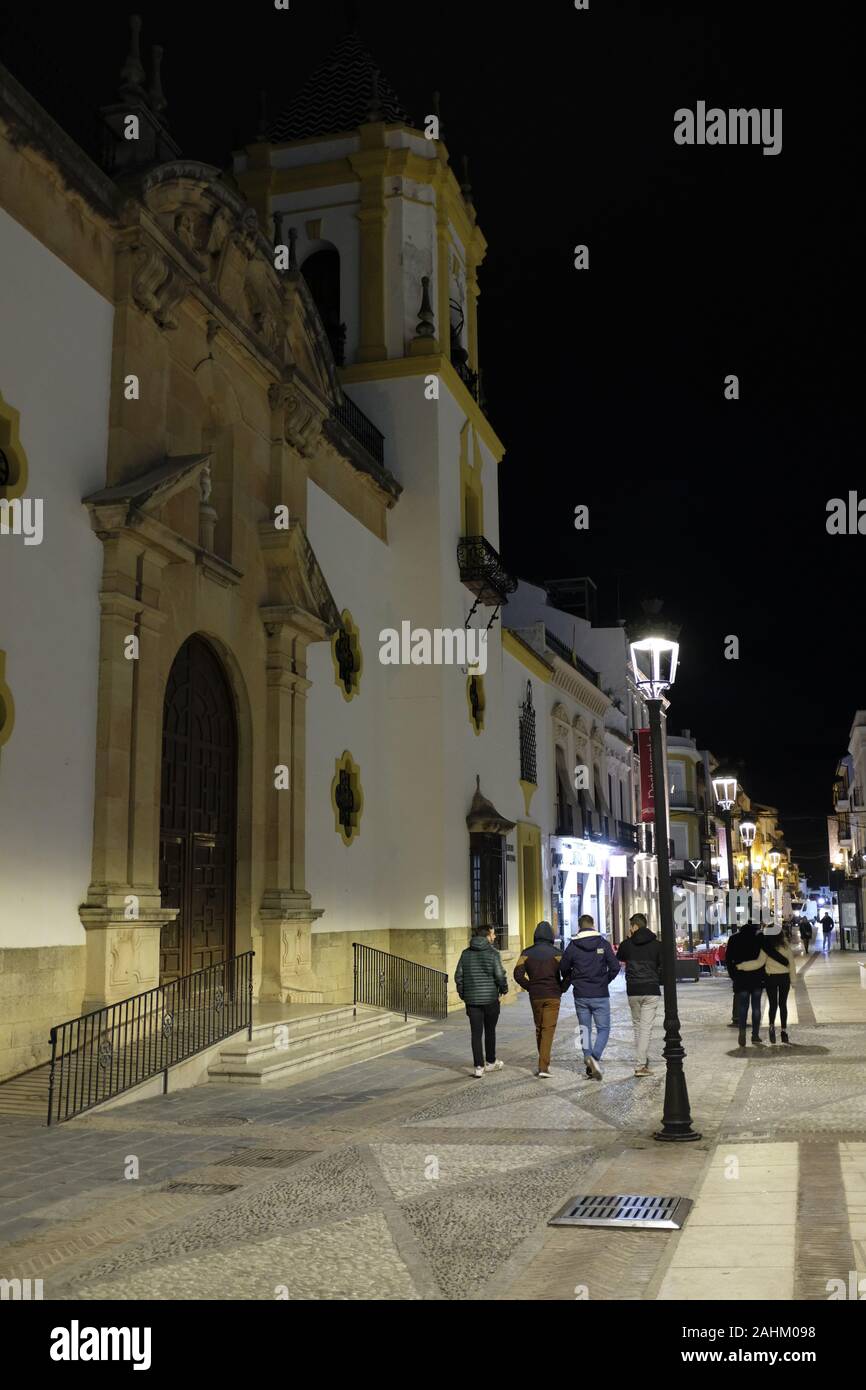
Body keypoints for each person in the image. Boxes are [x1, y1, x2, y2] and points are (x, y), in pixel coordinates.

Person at [558, 914, 621, 1080]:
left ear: (579, 927)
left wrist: (573, 977)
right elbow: (615, 967)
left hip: (581, 994)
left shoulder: (573, 946)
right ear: (593, 925)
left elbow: (563, 967)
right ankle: (595, 1057)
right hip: (600, 993)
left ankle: (588, 1060)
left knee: (584, 1029)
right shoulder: (603, 944)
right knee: (604, 1029)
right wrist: (604, 980)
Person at [513, 921, 567, 1078]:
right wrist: (562, 987)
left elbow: (517, 974)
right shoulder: (557, 953)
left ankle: (542, 1062)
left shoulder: (526, 953)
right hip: (553, 995)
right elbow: (569, 972)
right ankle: (543, 1067)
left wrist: (530, 986)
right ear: (550, 935)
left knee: (539, 1028)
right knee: (548, 1029)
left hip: (535, 995)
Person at [455, 925, 508, 1077]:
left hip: (472, 1001)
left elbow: (458, 976)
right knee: (490, 1031)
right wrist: (504, 989)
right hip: (490, 999)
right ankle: (491, 1062)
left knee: (476, 1033)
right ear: (486, 936)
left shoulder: (465, 954)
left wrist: (464, 995)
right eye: (493, 934)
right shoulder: (493, 953)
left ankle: (478, 1066)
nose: (495, 937)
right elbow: (499, 975)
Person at [616, 912, 662, 1077]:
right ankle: (640, 1064)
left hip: (633, 990)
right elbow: (662, 965)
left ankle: (641, 1059)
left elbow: (619, 956)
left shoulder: (627, 944)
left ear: (634, 927)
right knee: (646, 1028)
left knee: (638, 1026)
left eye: (631, 926)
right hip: (651, 990)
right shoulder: (657, 944)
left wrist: (629, 939)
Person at [725, 919, 766, 1047]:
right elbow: (764, 958)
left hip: (741, 978)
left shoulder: (734, 939)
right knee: (756, 1007)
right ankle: (755, 1035)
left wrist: (733, 976)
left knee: (742, 1007)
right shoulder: (759, 939)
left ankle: (742, 1032)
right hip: (757, 978)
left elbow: (728, 959)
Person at [760, 922, 797, 1044]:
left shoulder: (766, 946)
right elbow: (791, 964)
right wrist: (794, 981)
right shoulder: (785, 946)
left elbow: (760, 962)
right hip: (784, 978)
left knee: (773, 1004)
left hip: (771, 978)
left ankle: (771, 1026)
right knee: (783, 1004)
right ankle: (784, 1031)